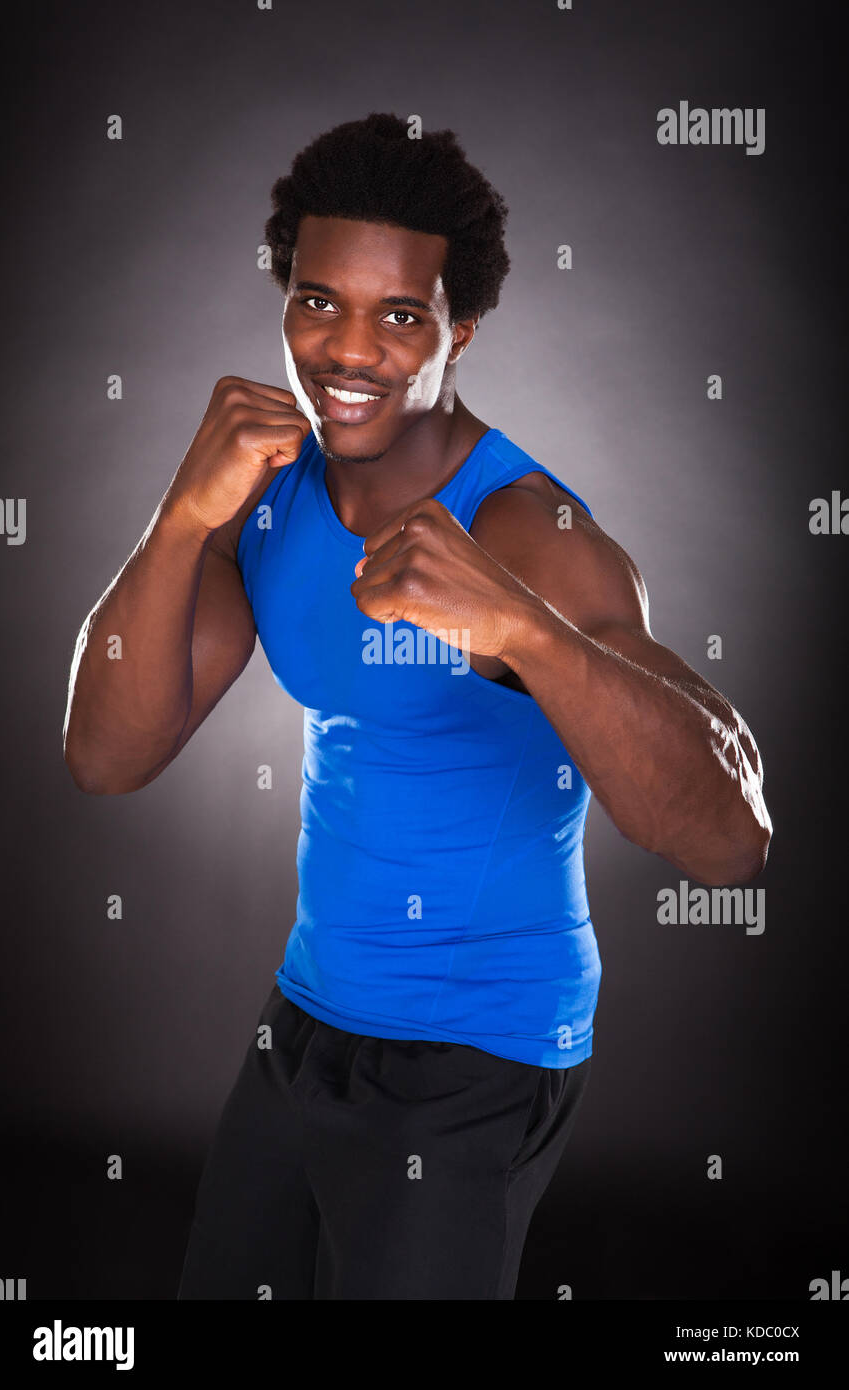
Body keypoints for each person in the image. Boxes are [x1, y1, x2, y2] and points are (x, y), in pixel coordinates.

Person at [63, 112, 772, 1300]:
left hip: (475, 1057)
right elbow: (107, 754)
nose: (349, 349)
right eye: (316, 301)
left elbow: (729, 834)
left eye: (401, 316)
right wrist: (183, 519)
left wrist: (521, 633)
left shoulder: (526, 534)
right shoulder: (269, 495)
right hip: (304, 1023)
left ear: (461, 330)